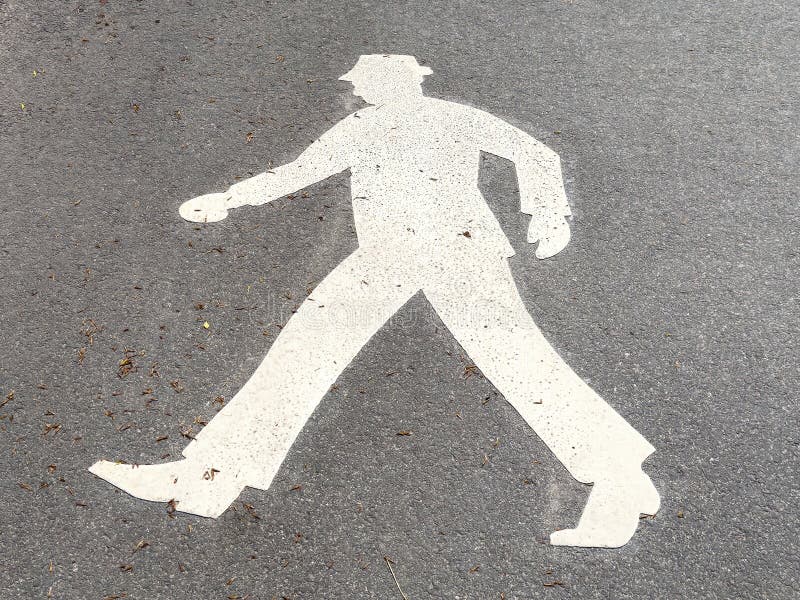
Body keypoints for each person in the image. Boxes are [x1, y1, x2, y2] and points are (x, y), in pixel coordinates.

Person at [91, 54, 659, 548]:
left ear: (393, 85)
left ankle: (620, 480)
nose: (364, 89)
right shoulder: (393, 123)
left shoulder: (411, 121)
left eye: (369, 82)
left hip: (450, 254)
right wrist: (231, 199)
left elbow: (529, 152)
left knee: (511, 362)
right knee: (313, 351)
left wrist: (548, 214)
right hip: (408, 254)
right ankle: (208, 476)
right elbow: (305, 172)